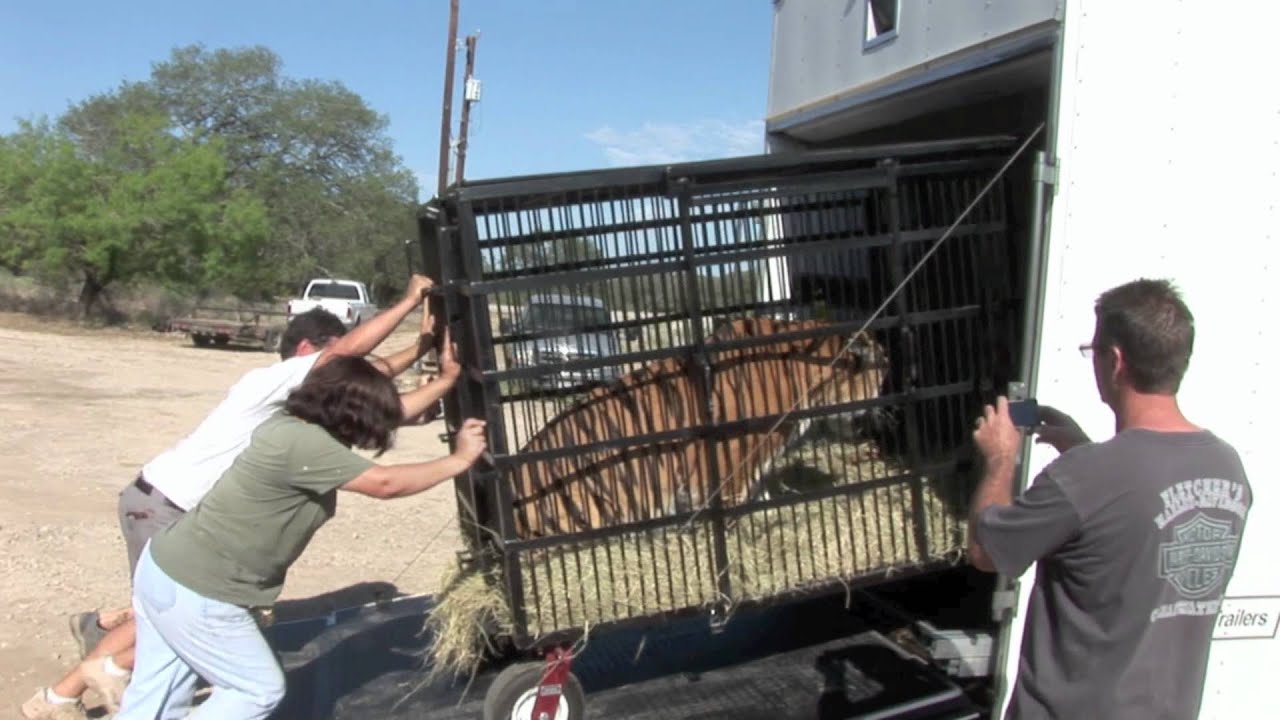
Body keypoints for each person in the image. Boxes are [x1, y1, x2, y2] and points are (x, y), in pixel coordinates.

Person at [21, 274, 458, 719]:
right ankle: (69, 689)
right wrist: (408, 302)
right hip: (169, 505)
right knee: (197, 632)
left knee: (170, 633)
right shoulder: (276, 385)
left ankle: (90, 660)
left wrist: (428, 355)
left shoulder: (304, 406)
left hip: (175, 516)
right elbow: (351, 374)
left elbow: (364, 392)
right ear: (306, 349)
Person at [115, 357, 488, 719]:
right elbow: (385, 484)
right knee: (256, 690)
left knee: (156, 696)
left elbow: (388, 414)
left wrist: (446, 379)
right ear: (350, 413)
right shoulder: (305, 445)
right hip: (200, 590)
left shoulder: (290, 425)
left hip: (165, 570)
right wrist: (459, 460)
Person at [967, 278, 1252, 719]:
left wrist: (1000, 459)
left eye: (1093, 351)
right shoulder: (1227, 469)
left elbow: (987, 551)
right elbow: (1136, 519)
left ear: (1115, 361)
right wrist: (1083, 451)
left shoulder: (1086, 478)